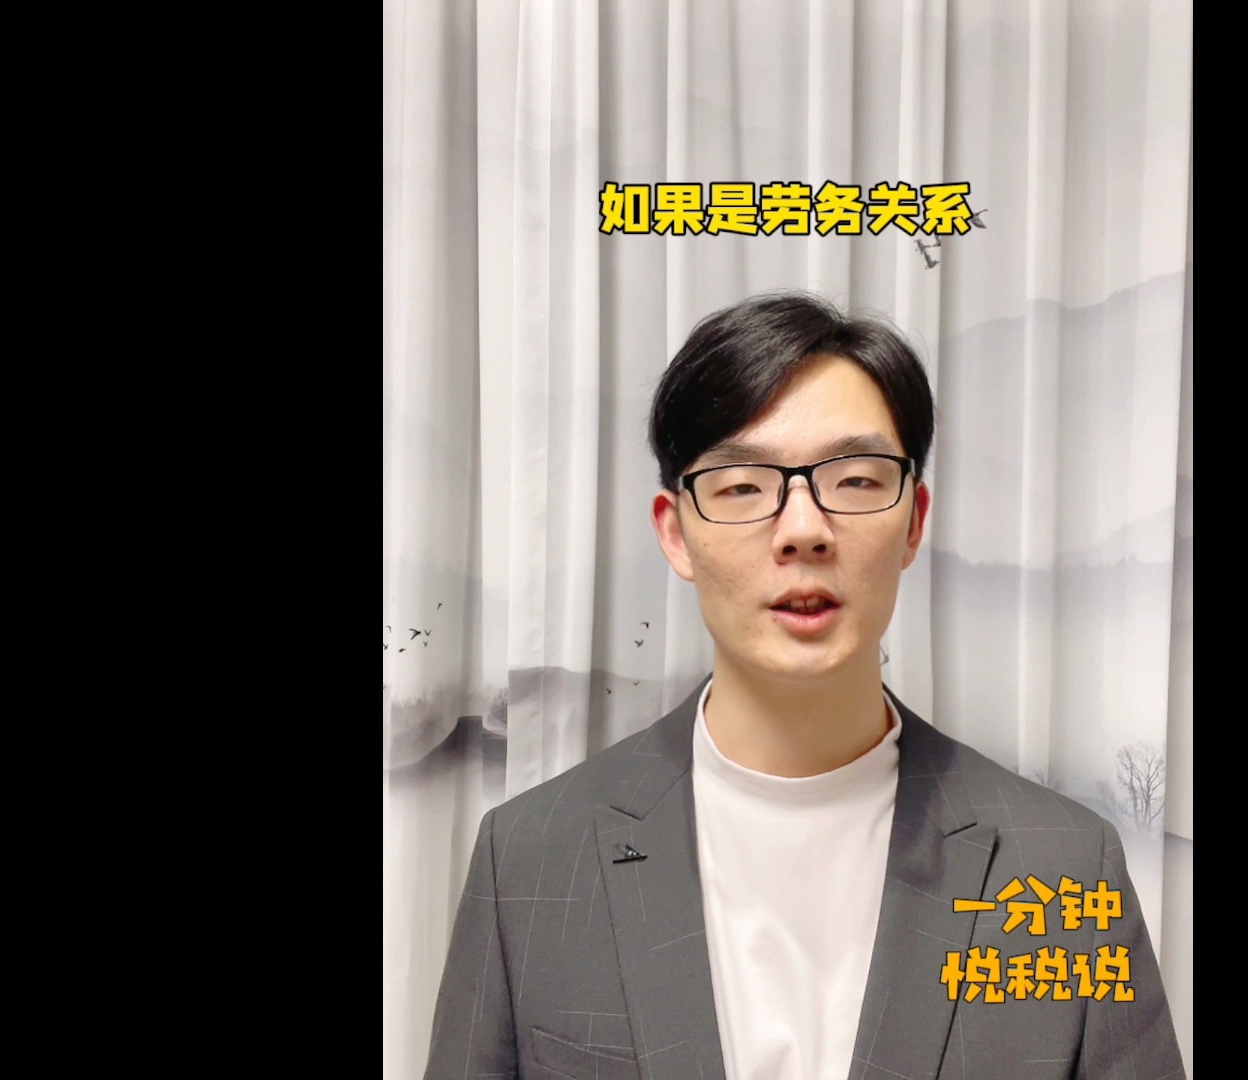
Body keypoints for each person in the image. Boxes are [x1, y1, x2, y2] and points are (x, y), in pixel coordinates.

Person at [422, 292, 1183, 1080]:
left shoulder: (1063, 869)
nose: (803, 529)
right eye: (743, 486)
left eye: (854, 480)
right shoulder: (530, 862)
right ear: (676, 534)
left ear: (913, 522)